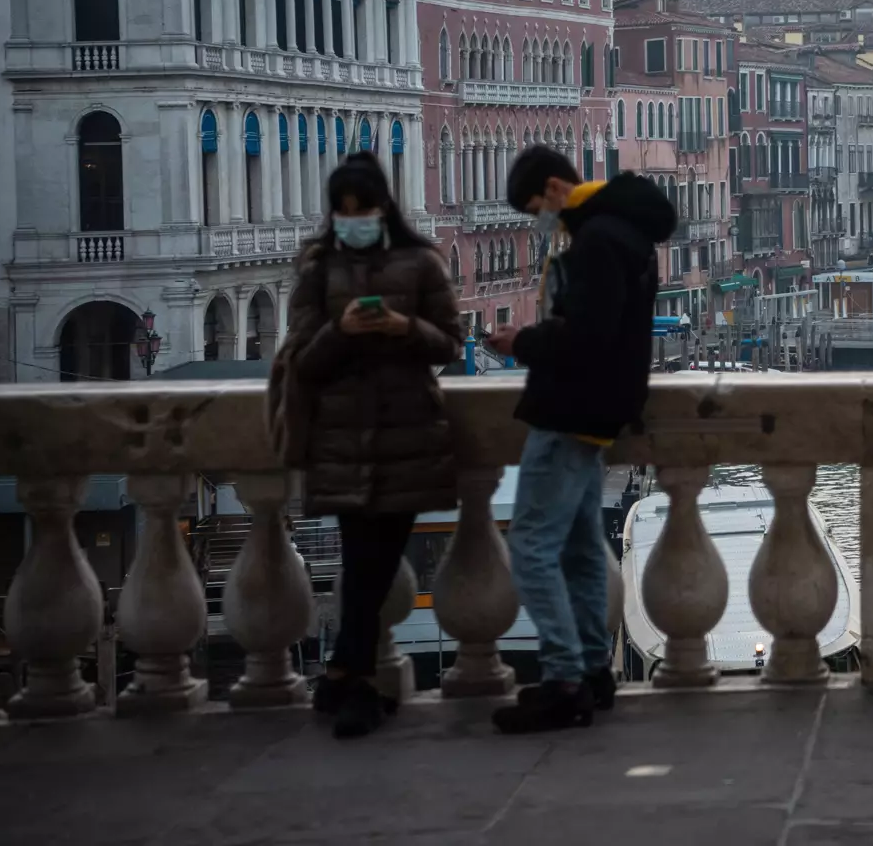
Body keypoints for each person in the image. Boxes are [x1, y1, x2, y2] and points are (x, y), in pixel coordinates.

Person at [269, 152, 462, 739]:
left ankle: (341, 675)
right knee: (362, 563)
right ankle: (349, 680)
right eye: (343, 212)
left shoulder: (422, 264)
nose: (353, 220)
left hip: (407, 433)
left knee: (378, 565)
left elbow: (449, 344)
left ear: (383, 207)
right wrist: (341, 331)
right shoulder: (317, 271)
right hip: (343, 438)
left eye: (363, 210)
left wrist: (405, 329)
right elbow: (301, 357)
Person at [484, 146, 675, 734]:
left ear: (552, 187)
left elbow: (588, 338)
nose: (535, 219)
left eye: (534, 206)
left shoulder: (595, 243)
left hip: (569, 411)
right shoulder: (621, 231)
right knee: (582, 548)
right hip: (601, 412)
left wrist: (522, 343)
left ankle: (564, 678)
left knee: (532, 549)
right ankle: (594, 668)